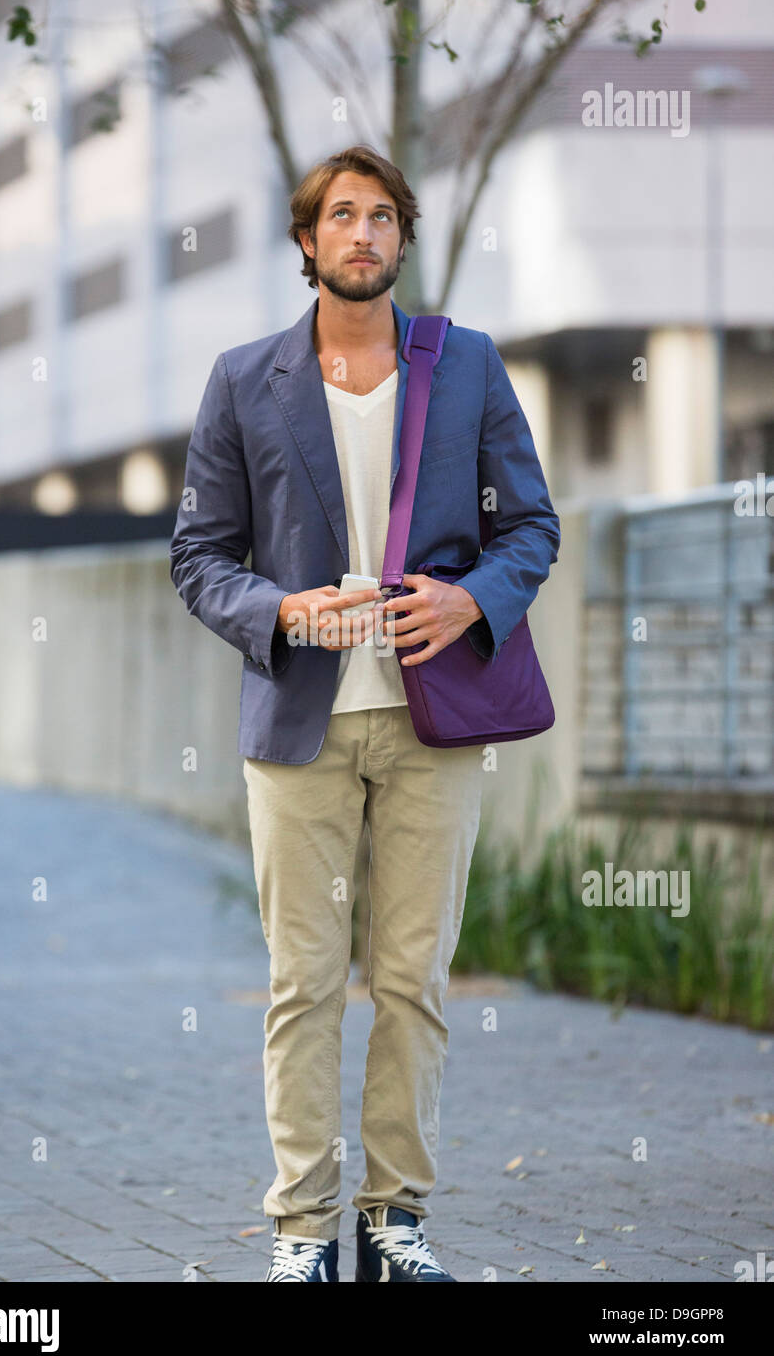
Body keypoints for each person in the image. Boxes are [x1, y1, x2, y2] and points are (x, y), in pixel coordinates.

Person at [169, 144, 560, 1282]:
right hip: (298, 725)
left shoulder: (467, 366)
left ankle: (395, 1222)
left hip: (431, 719)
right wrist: (280, 610)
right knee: (302, 986)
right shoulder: (244, 379)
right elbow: (197, 554)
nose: (361, 234)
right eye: (340, 216)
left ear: (402, 239)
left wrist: (467, 596)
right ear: (306, 241)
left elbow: (528, 526)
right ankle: (302, 1230)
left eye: (382, 217)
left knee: (410, 981)